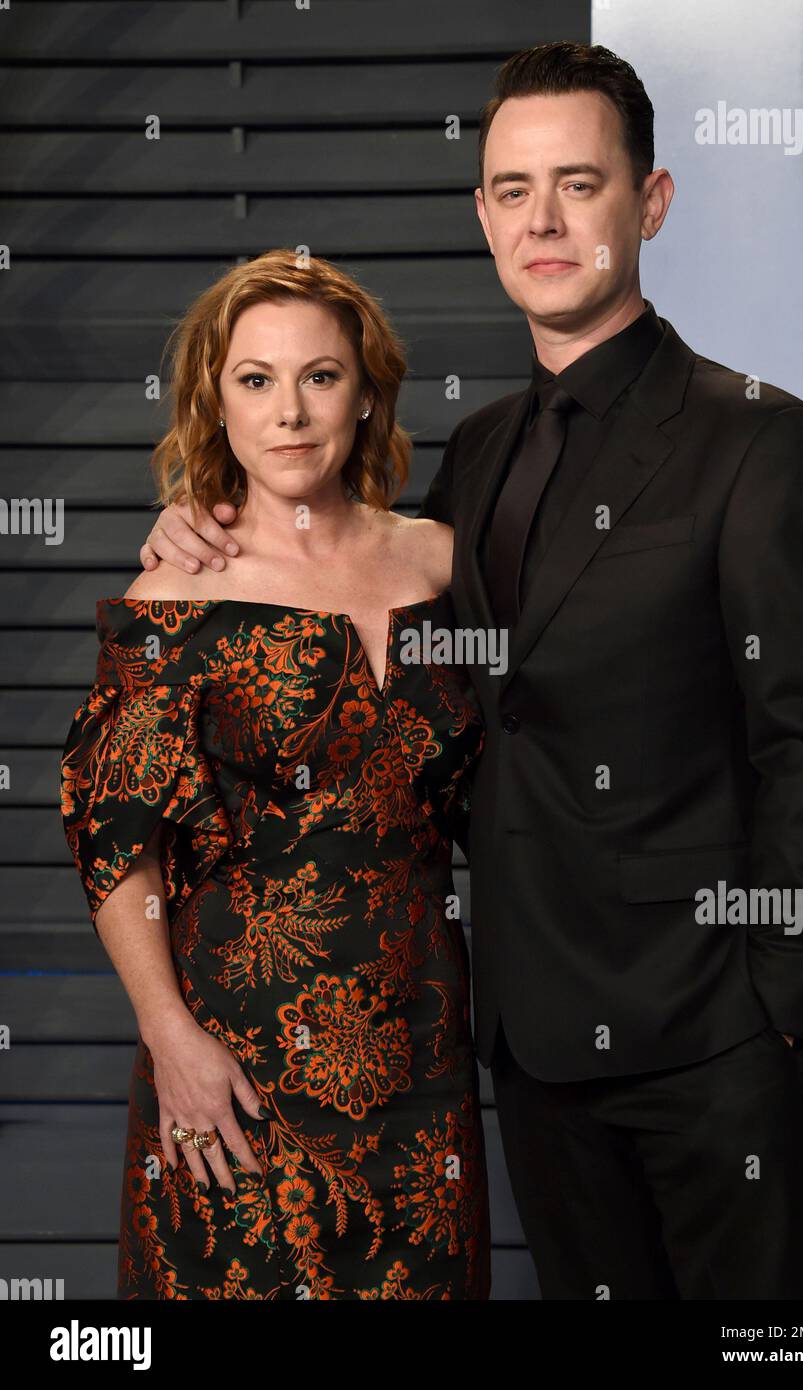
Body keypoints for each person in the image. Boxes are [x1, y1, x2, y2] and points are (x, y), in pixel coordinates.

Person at [134, 45, 803, 1300]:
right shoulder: (476, 457)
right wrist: (196, 526)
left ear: (648, 203)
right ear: (481, 214)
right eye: (512, 189)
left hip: (713, 1034)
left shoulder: (759, 442)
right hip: (525, 1037)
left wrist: (778, 1021)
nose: (542, 220)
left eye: (578, 184)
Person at [60, 249, 491, 1300]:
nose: (289, 412)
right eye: (255, 379)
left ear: (368, 392)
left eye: (320, 376)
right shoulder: (176, 587)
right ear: (215, 404)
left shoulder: (448, 561)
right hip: (236, 1059)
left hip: (420, 1047)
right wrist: (171, 1039)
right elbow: (114, 839)